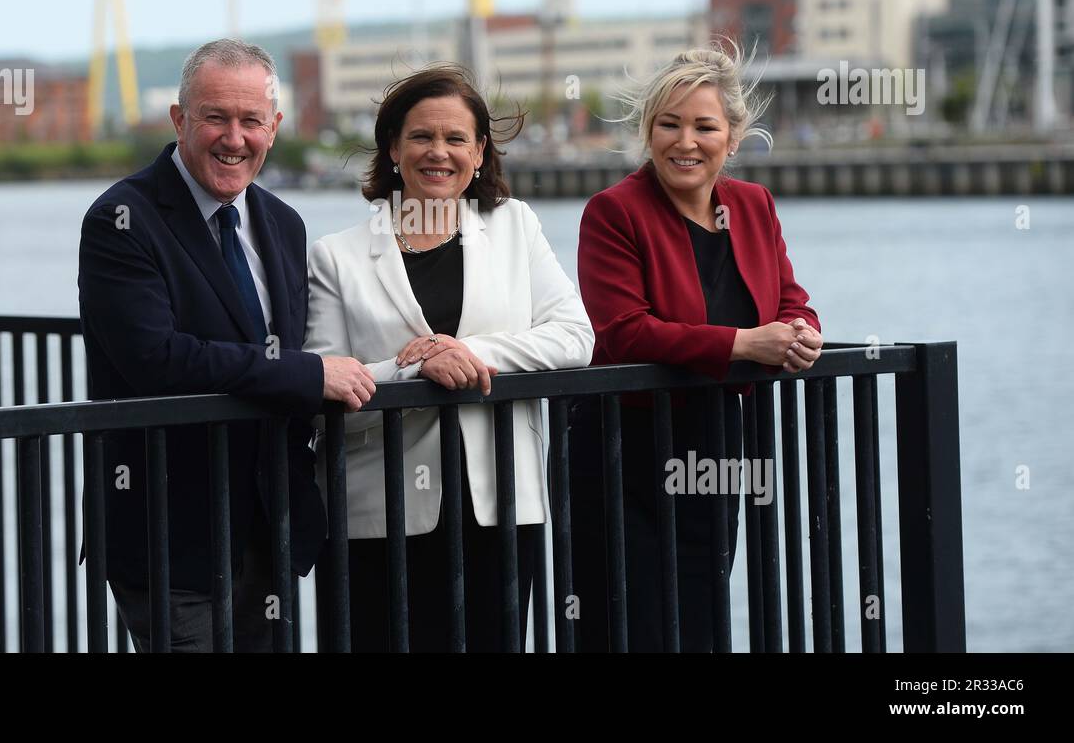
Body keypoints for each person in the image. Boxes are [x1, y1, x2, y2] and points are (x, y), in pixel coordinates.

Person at [77, 39, 375, 652]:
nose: (234, 138)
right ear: (180, 119)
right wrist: (305, 374)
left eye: (251, 121)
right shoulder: (119, 219)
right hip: (169, 529)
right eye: (215, 117)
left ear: (275, 127)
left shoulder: (283, 222)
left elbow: (304, 341)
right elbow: (155, 359)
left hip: (268, 527)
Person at [304, 64, 595, 652]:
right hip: (379, 517)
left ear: (481, 151)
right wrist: (411, 370)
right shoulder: (335, 257)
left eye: (457, 138)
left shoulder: (514, 226)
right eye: (421, 137)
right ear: (392, 148)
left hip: (501, 510)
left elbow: (574, 337)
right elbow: (320, 397)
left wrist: (468, 354)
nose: (439, 152)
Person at [571, 45, 823, 652]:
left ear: (732, 138)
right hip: (624, 445)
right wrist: (746, 343)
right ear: (647, 131)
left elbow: (792, 300)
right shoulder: (613, 213)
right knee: (631, 622)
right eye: (669, 123)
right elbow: (623, 332)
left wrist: (801, 334)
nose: (686, 141)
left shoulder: (755, 206)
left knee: (704, 612)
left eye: (704, 126)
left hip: (714, 441)